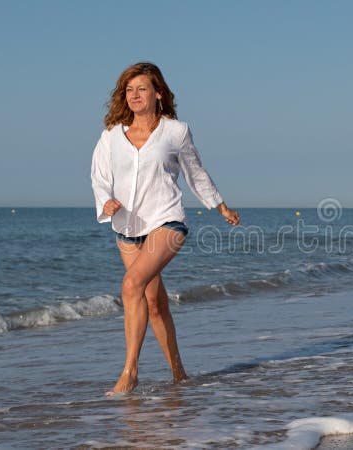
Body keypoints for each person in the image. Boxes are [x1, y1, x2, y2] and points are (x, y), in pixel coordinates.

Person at [90, 62, 240, 396]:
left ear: (158, 93)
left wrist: (220, 205)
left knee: (131, 284)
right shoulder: (112, 134)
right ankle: (179, 374)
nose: (134, 95)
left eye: (141, 89)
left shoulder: (175, 131)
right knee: (153, 302)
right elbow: (99, 174)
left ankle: (130, 372)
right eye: (129, 90)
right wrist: (105, 201)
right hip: (128, 226)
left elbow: (195, 173)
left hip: (167, 220)